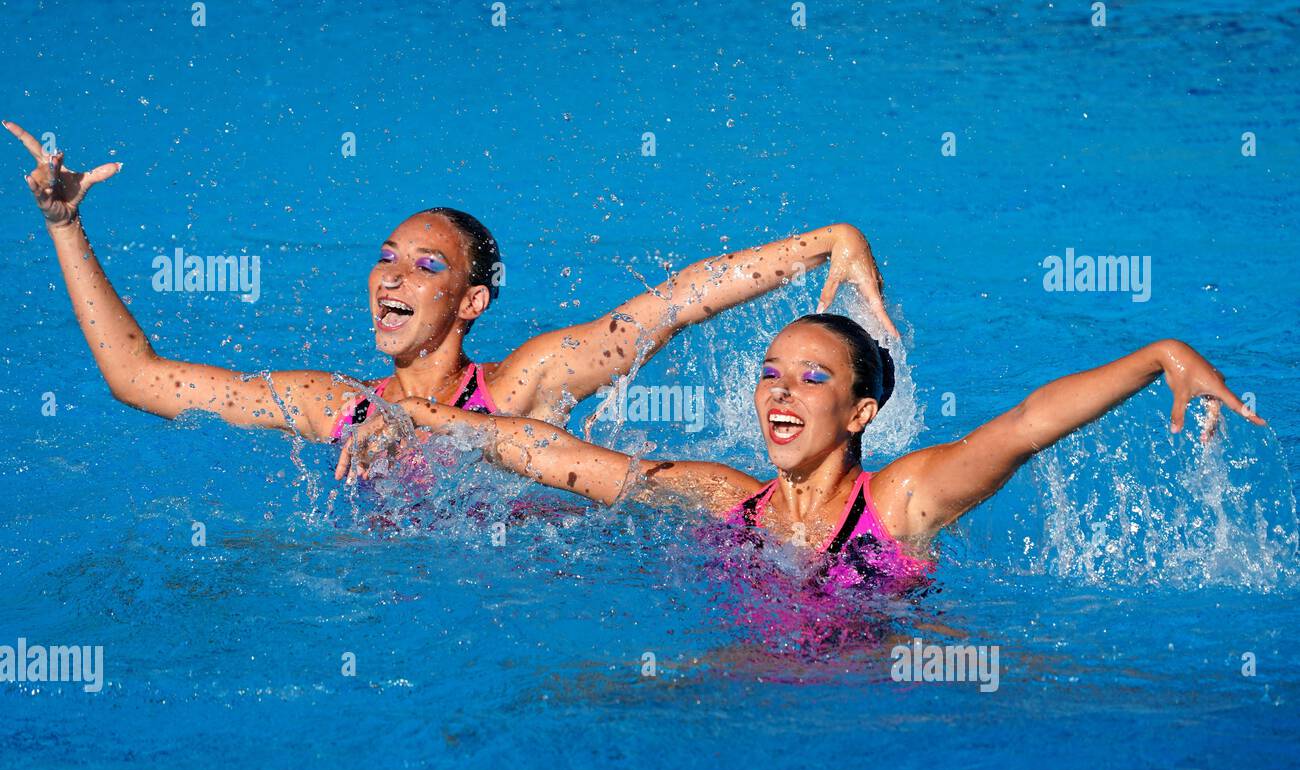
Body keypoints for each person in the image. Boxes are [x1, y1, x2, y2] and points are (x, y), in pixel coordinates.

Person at [5, 120, 899, 461]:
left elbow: (672, 303)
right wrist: (64, 226)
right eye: (387, 257)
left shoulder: (523, 386)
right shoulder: (335, 406)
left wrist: (828, 242)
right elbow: (139, 377)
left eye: (428, 266)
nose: (393, 274)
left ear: (472, 304)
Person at [340, 313, 1266, 594]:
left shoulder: (901, 501)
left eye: (812, 379)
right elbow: (551, 455)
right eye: (771, 373)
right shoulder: (724, 499)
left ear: (861, 411)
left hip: (890, 700)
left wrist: (1162, 357)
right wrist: (413, 420)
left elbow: (1022, 426)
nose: (780, 391)